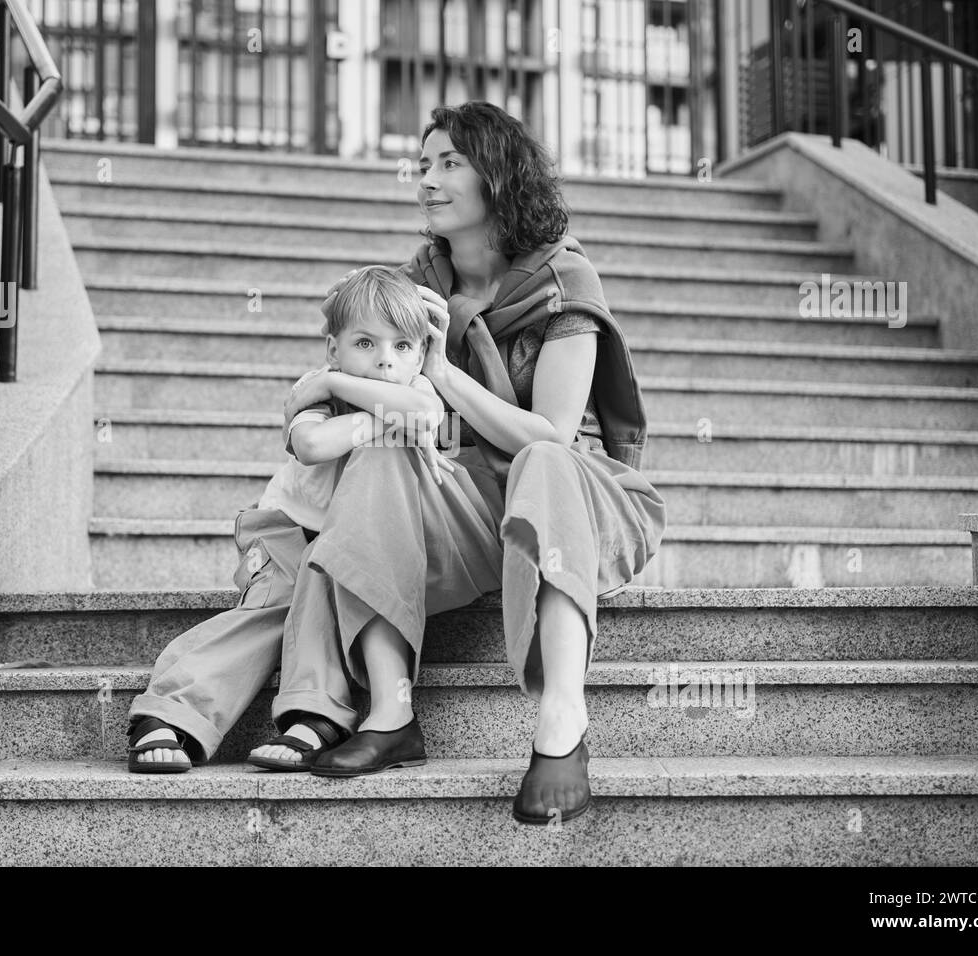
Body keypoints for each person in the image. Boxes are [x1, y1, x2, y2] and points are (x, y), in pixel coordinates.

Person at [255, 101, 667, 825]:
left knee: (543, 460)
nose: (427, 180)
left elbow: (549, 433)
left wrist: (442, 371)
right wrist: (328, 383)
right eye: (423, 164)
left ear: (498, 177)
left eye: (449, 163)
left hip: (571, 500)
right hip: (471, 500)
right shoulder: (418, 283)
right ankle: (391, 714)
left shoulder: (565, 285)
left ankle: (562, 717)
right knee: (384, 447)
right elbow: (375, 385)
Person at [126, 265, 454, 772]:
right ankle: (173, 708)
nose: (385, 360)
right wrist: (383, 418)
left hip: (352, 548)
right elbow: (312, 443)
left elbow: (427, 414)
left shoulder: (418, 390)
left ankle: (316, 714)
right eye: (365, 343)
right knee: (271, 611)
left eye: (402, 346)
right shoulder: (317, 388)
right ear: (333, 350)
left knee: (324, 591)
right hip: (286, 535)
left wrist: (392, 409)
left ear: (420, 354)